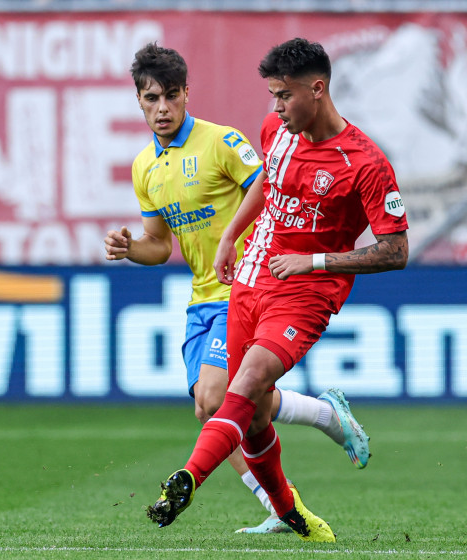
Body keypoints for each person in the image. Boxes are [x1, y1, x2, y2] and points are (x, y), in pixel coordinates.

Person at [146, 38, 409, 542]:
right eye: (272, 96)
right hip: (250, 278)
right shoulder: (276, 130)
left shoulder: (366, 164)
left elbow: (395, 251)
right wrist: (229, 236)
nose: (276, 108)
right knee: (256, 412)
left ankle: (187, 479)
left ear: (318, 88)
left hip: (307, 292)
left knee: (239, 389)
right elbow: (268, 182)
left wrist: (312, 260)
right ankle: (291, 512)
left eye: (284, 96)